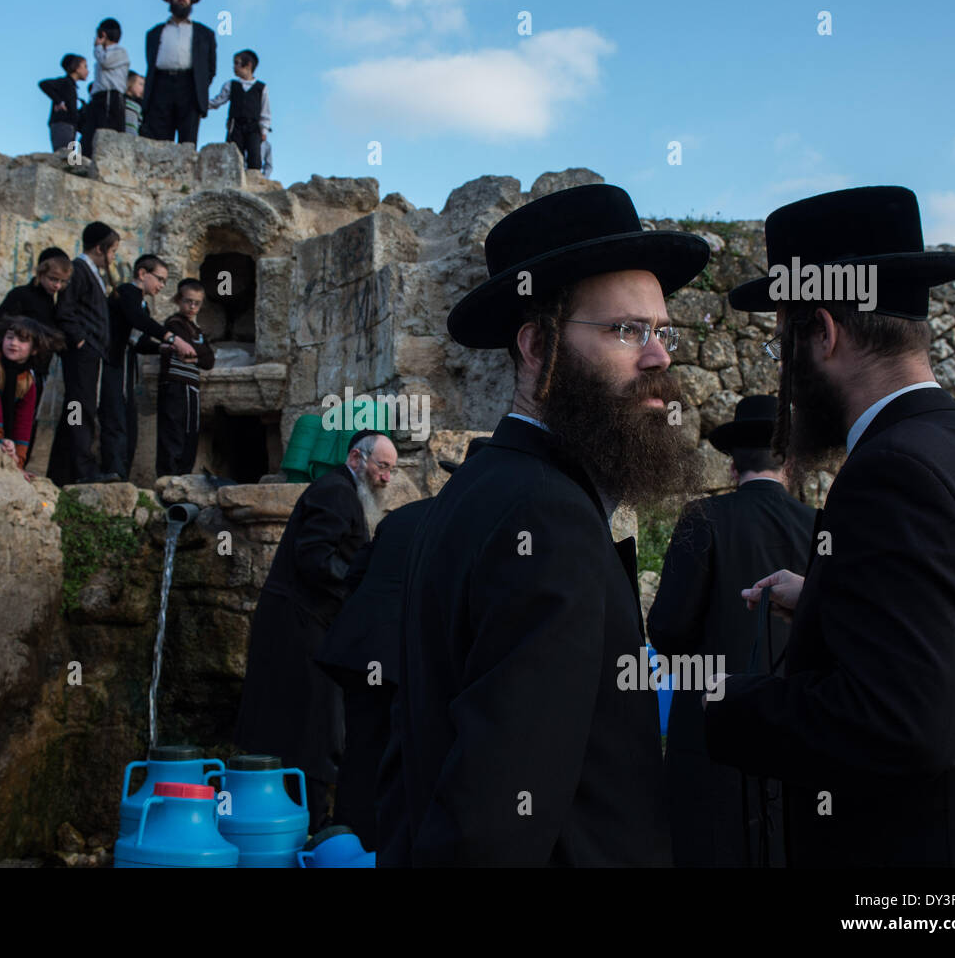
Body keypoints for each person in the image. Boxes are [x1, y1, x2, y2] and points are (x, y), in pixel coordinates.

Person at [377, 184, 711, 866]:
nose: (659, 357)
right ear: (537, 345)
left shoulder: (482, 488)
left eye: (663, 331)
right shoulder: (545, 517)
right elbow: (492, 822)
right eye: (627, 330)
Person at [704, 186, 955, 867]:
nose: (782, 372)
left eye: (779, 344)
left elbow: (904, 724)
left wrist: (715, 702)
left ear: (822, 331)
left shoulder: (894, 471)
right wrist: (829, 602)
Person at [647, 395, 815, 867]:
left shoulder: (704, 517)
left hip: (710, 734)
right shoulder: (819, 526)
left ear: (732, 462)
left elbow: (669, 629)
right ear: (789, 460)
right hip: (796, 728)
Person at [317, 437, 490, 851]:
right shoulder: (468, 527)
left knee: (361, 745)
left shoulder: (403, 516)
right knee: (403, 751)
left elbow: (355, 577)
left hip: (356, 649)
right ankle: (382, 845)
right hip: (399, 659)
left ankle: (348, 842)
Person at [236, 430, 398, 832]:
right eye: (382, 466)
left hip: (308, 624)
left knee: (304, 725)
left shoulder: (345, 492)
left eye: (392, 470)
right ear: (357, 459)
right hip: (299, 626)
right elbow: (314, 558)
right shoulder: (336, 493)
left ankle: (296, 818)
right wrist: (362, 590)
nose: (387, 478)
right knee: (311, 725)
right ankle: (305, 822)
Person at [47, 222, 120, 486]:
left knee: (75, 409)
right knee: (82, 407)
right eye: (112, 251)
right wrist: (80, 340)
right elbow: (65, 311)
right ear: (99, 248)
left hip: (90, 352)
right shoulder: (78, 270)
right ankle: (83, 470)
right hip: (82, 353)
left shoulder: (91, 273)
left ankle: (60, 472)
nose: (114, 257)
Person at [99, 255, 173, 481]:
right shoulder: (127, 294)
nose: (161, 285)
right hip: (113, 362)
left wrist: (161, 349)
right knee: (115, 417)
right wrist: (169, 336)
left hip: (127, 365)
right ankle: (113, 471)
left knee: (129, 420)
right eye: (159, 279)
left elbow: (137, 341)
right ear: (142, 274)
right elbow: (137, 320)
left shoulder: (141, 304)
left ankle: (122, 475)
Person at [148, 278, 214, 476]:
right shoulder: (174, 324)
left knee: (190, 434)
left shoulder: (197, 330)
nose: (192, 306)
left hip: (192, 387)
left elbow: (209, 360)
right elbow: (190, 349)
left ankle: (183, 478)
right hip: (175, 385)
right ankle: (168, 478)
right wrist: (196, 354)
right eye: (188, 301)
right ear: (178, 300)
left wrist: (195, 355)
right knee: (172, 433)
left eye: (197, 303)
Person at [141, 0, 216, 145]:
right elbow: (150, 61)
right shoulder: (154, 33)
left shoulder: (205, 34)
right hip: (161, 86)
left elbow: (210, 68)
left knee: (187, 143)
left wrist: (198, 85)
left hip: (189, 88)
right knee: (158, 142)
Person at [0, 314, 61, 469]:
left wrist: (18, 462)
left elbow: (23, 423)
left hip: (5, 441)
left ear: (34, 349)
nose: (13, 343)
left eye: (22, 341)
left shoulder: (27, 381)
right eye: (10, 337)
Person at [208, 49, 270, 172]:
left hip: (253, 127)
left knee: (254, 159)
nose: (234, 67)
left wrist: (264, 130)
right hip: (235, 125)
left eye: (237, 63)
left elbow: (265, 110)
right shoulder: (231, 85)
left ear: (248, 65)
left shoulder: (261, 88)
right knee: (234, 156)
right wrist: (202, 105)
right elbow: (218, 101)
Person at [79, 19, 129, 159]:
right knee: (88, 133)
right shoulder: (102, 52)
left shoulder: (119, 51)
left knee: (107, 133)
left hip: (111, 97)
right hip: (98, 97)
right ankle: (76, 163)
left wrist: (98, 47)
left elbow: (105, 62)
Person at [38, 53, 88, 152]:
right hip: (63, 126)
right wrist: (59, 102)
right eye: (85, 66)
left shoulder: (72, 86)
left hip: (70, 127)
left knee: (70, 158)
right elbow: (44, 84)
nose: (87, 70)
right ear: (77, 68)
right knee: (64, 157)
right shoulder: (66, 82)